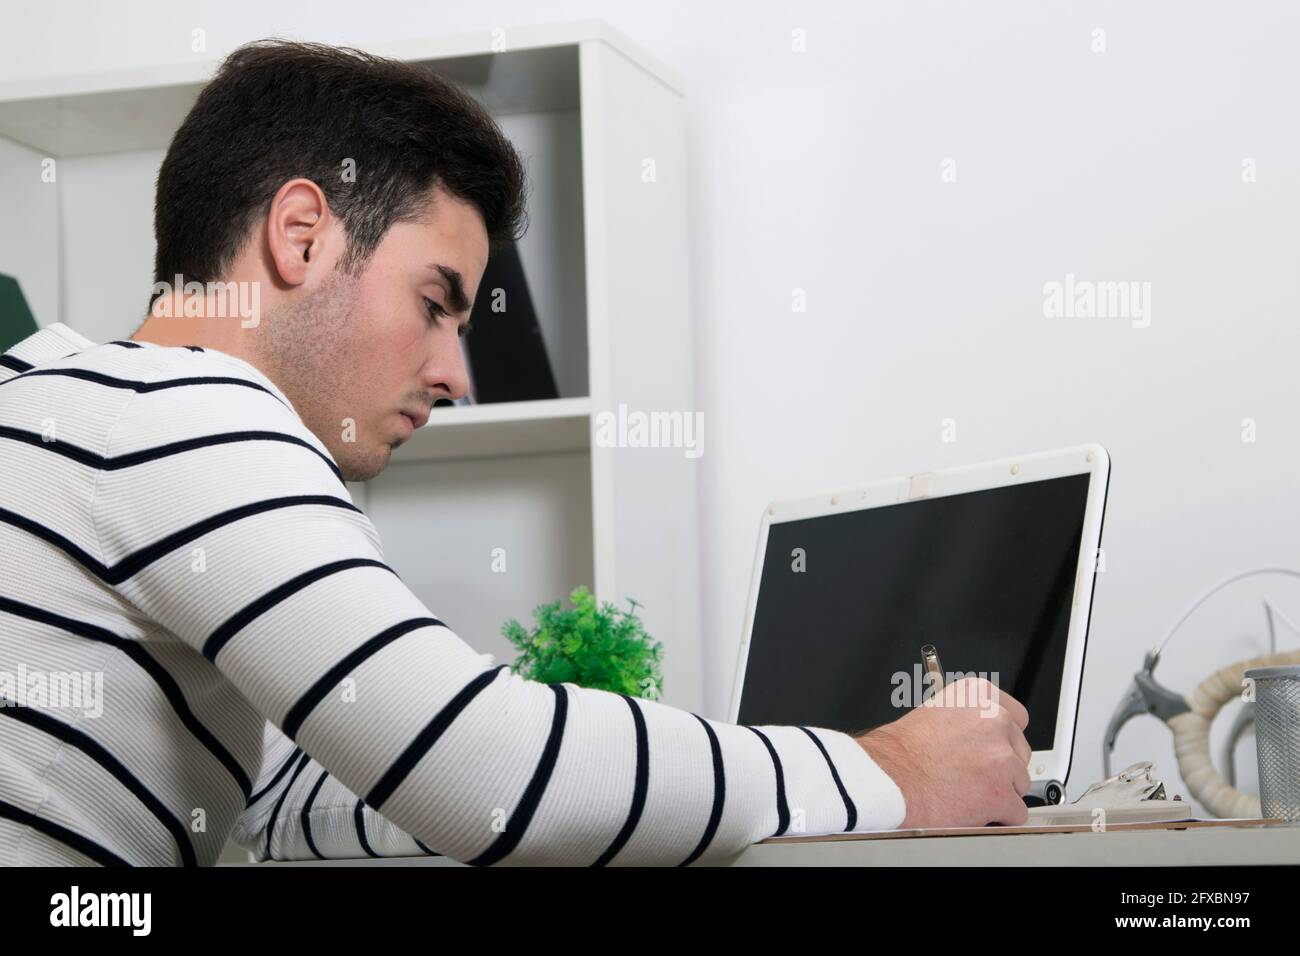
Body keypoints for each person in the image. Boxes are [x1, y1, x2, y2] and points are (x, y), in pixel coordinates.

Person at [0, 39, 1030, 867]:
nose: (458, 376)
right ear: (302, 235)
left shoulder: (61, 397)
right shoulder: (186, 408)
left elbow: (282, 791)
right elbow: (486, 766)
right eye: (437, 303)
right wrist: (887, 770)